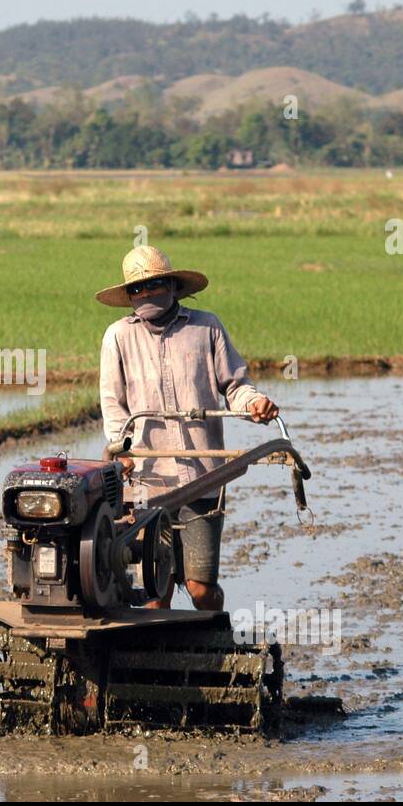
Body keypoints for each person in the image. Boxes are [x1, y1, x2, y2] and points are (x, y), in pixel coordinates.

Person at [96, 245, 278, 611]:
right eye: (138, 289)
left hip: (202, 479)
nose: (147, 294)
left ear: (174, 286)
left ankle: (215, 646)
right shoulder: (117, 337)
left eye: (155, 285)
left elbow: (235, 386)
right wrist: (122, 447)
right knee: (153, 591)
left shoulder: (206, 327)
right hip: (148, 482)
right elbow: (113, 404)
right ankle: (159, 662)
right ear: (128, 296)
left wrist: (254, 403)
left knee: (200, 588)